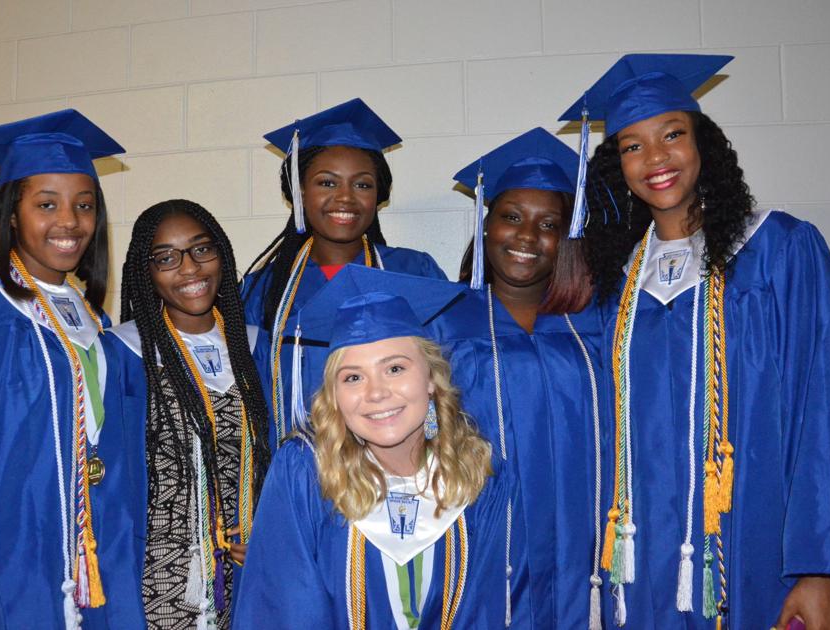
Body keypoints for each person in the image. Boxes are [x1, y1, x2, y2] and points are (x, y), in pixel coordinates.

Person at [558, 53, 830, 629]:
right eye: (632, 146)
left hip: (762, 553)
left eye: (672, 134)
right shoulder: (615, 286)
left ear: (704, 144)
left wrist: (821, 568)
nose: (656, 159)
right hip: (641, 565)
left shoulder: (780, 251)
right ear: (616, 166)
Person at [0, 110, 146, 628]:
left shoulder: (89, 315)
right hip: (3, 563)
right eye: (46, 204)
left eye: (84, 205)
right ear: (10, 213)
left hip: (90, 558)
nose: (70, 222)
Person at [232, 266, 514, 629]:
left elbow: (486, 610)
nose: (376, 392)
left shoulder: (479, 471)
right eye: (352, 377)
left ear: (431, 379)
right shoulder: (305, 471)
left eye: (395, 368)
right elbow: (285, 608)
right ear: (334, 395)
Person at [425, 127, 604, 628]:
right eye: (511, 218)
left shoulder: (599, 320)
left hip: (583, 543)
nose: (527, 236)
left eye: (548, 223)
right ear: (487, 227)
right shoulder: (443, 320)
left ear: (566, 238)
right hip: (482, 540)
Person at [241, 98, 446, 452]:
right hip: (301, 475)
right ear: (299, 192)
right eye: (327, 183)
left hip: (399, 473)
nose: (345, 198)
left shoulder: (414, 273)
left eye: (362, 185)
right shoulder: (262, 290)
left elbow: (446, 375)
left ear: (378, 196)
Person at [109, 199, 272, 628]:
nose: (190, 268)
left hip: (250, 568)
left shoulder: (260, 349)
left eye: (202, 249)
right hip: (159, 575)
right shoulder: (124, 354)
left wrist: (272, 536)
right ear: (145, 272)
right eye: (165, 257)